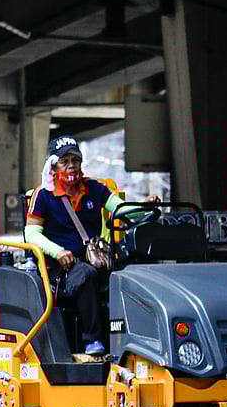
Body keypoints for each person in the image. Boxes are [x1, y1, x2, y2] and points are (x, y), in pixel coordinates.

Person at [24, 135, 159, 356]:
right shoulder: (44, 195)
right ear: (53, 165)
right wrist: (57, 252)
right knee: (86, 274)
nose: (71, 166)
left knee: (133, 270)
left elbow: (121, 209)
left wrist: (144, 207)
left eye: (75, 160)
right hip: (60, 269)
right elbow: (31, 233)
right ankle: (92, 341)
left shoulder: (95, 188)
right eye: (64, 161)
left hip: (95, 259)